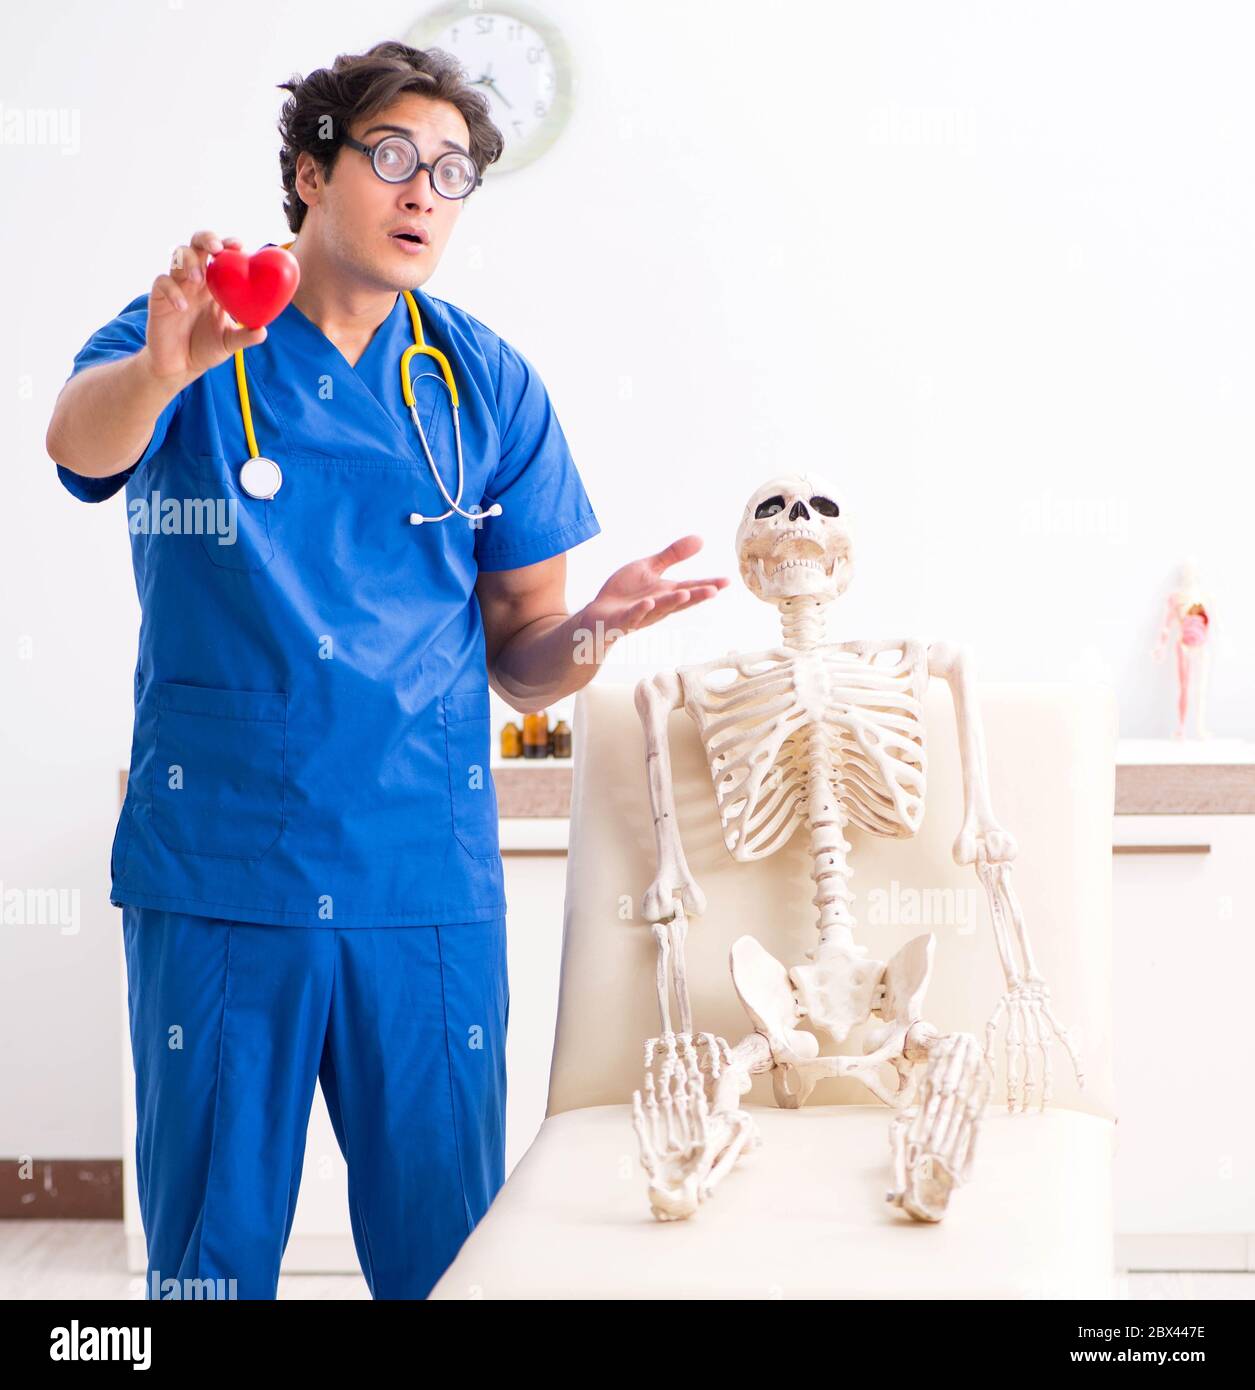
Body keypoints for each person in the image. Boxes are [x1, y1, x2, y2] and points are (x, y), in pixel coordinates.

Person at [45, 40, 728, 1300]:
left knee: (450, 1251)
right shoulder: (194, 329)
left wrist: (599, 629)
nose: (425, 192)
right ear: (309, 173)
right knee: (208, 1252)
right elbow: (79, 450)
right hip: (224, 868)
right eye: (394, 157)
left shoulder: (481, 381)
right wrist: (161, 369)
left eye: (454, 173)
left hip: (419, 875)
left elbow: (526, 661)